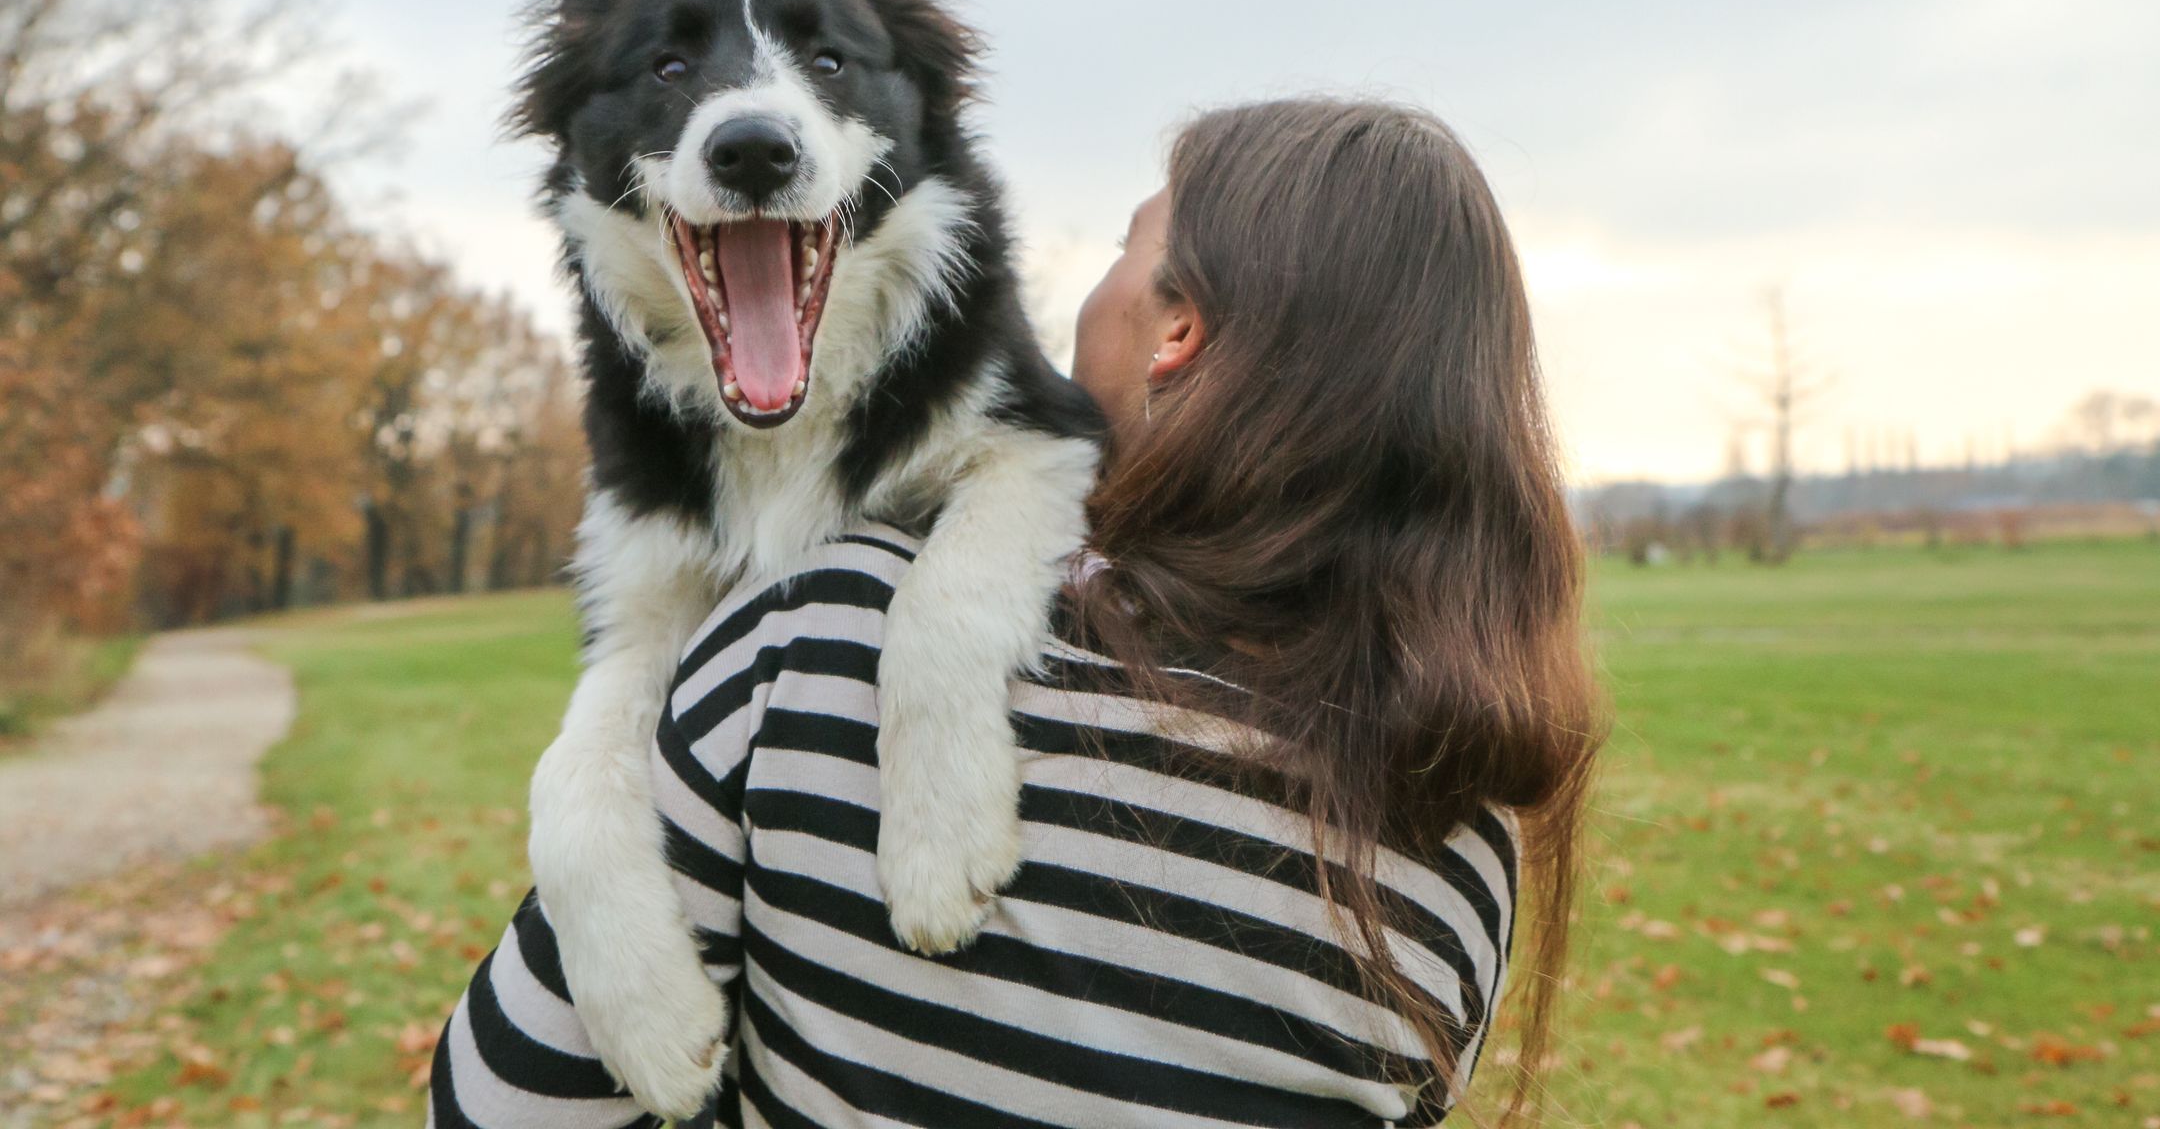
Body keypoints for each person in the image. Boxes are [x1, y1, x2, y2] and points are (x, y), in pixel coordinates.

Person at [429, 97, 1604, 1127]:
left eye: (1122, 248)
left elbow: (501, 1106)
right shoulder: (1463, 835)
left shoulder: (820, 638)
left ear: (1178, 330)